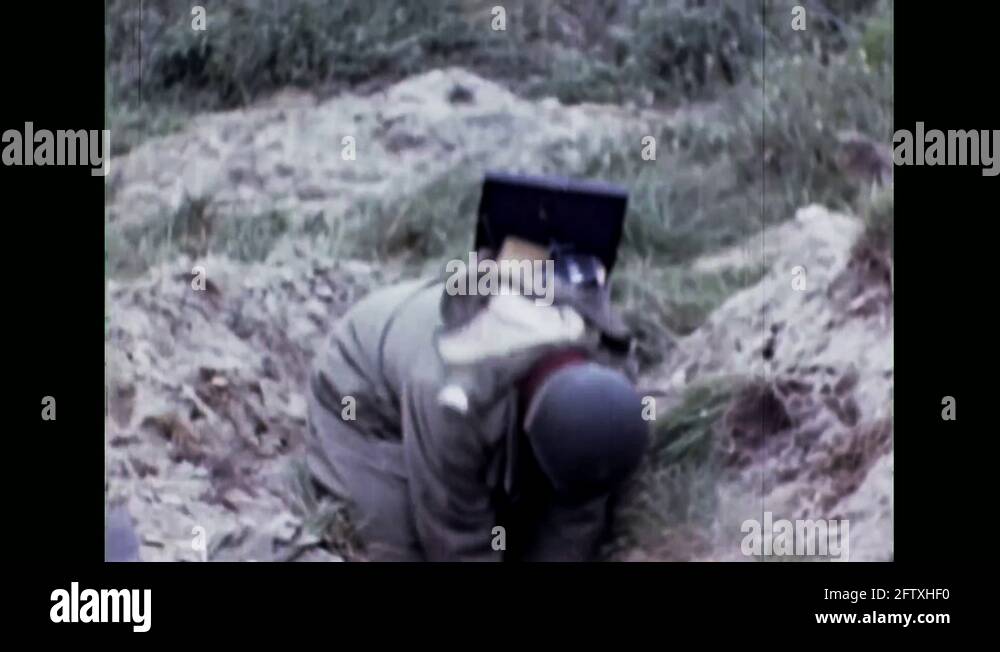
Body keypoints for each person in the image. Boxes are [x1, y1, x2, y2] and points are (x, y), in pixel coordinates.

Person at [305, 244, 649, 561]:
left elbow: (579, 511)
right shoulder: (450, 399)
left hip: (466, 375)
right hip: (363, 394)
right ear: (528, 424)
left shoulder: (610, 365)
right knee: (402, 550)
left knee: (521, 520)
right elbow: (456, 535)